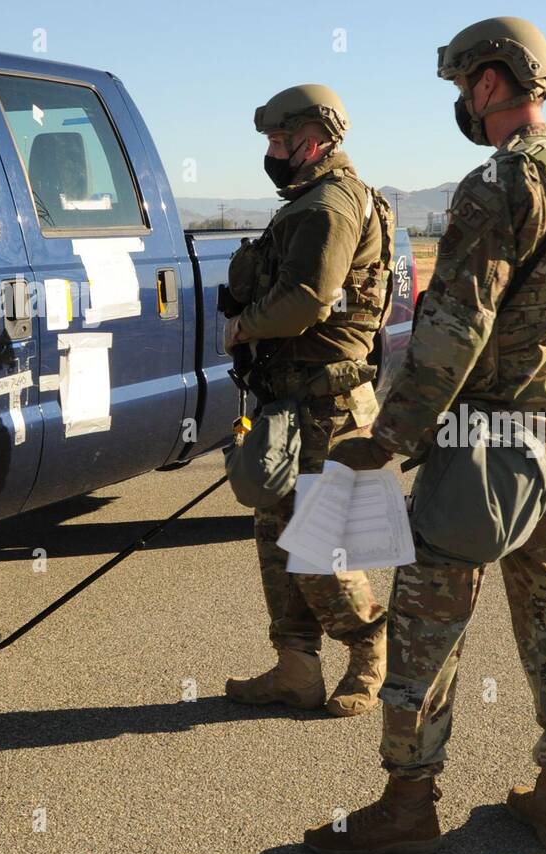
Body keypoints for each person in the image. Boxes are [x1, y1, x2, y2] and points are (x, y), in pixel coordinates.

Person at [303, 17, 546, 854]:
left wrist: (389, 437)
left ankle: (409, 801)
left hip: (487, 442)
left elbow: (454, 328)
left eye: (461, 86)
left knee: (425, 620)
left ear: (491, 81)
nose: (460, 100)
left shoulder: (498, 185)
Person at [222, 84, 393, 719]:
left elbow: (307, 301)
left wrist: (241, 327)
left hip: (329, 403)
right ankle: (296, 669)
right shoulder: (311, 200)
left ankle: (369, 652)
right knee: (277, 536)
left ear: (312, 140)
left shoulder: (330, 207)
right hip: (291, 402)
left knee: (324, 544)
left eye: (277, 141)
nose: (270, 153)